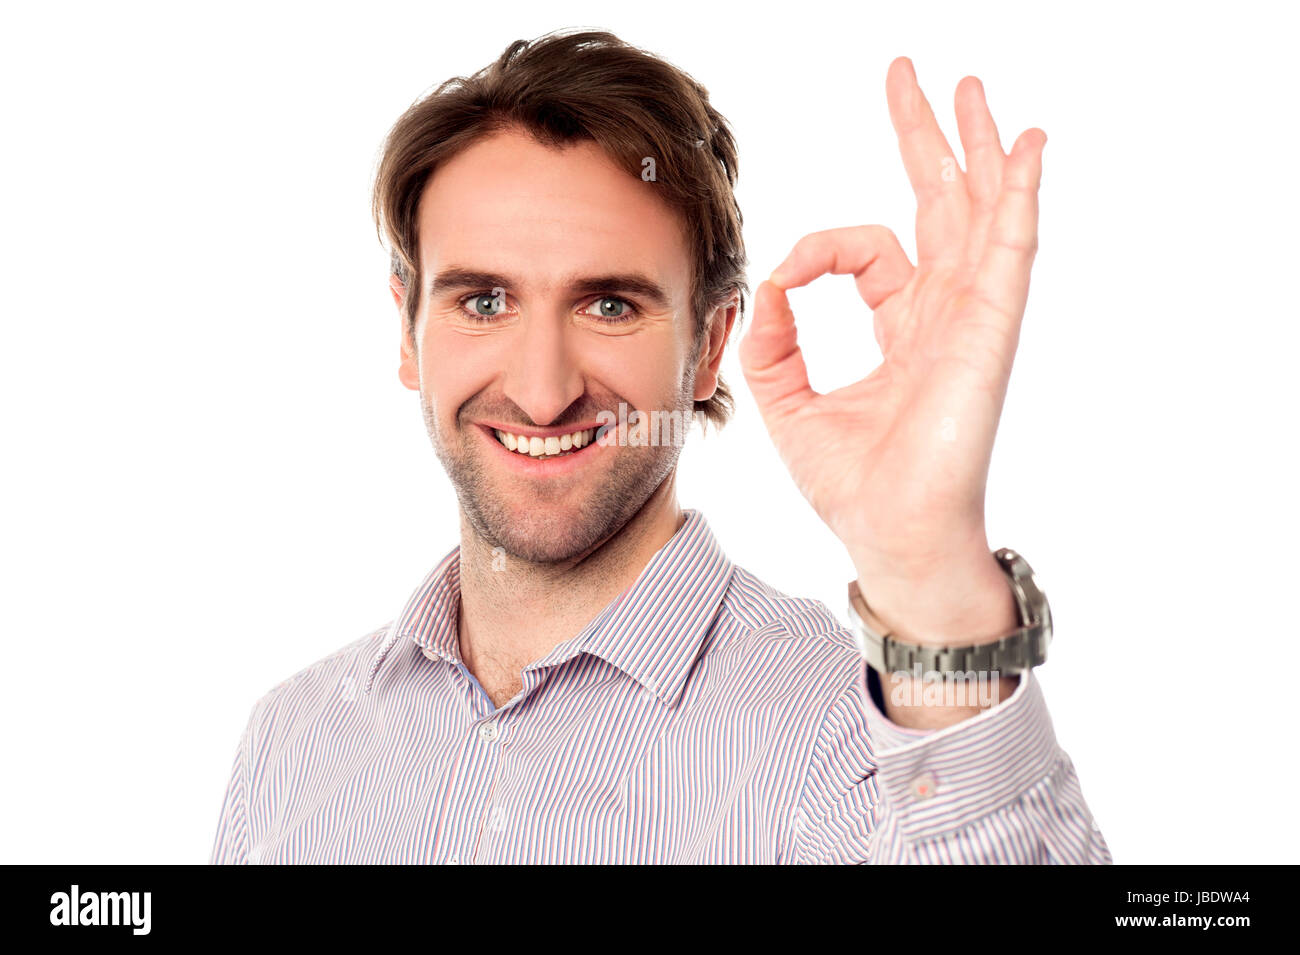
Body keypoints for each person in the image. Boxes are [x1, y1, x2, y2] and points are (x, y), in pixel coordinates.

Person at [209, 28, 1110, 864]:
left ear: (709, 345)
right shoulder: (294, 743)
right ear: (409, 331)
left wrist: (931, 581)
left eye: (610, 305)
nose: (541, 389)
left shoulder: (853, 733)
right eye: (484, 301)